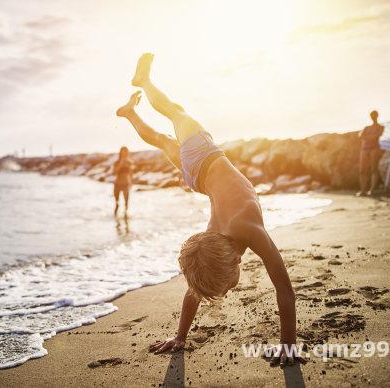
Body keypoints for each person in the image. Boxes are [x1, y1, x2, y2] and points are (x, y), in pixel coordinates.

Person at [116, 53, 298, 366]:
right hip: (197, 176)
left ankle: (138, 97)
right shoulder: (227, 234)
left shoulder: (235, 235)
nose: (230, 287)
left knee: (171, 122)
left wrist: (289, 346)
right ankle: (135, 100)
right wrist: (180, 337)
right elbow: (281, 288)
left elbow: (284, 290)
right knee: (168, 126)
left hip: (199, 162)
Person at [357, 110, 384, 196]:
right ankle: (363, 190)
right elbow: (361, 136)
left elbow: (376, 136)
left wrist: (367, 137)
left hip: (374, 149)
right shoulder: (366, 127)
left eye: (374, 115)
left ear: (377, 116)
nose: (373, 117)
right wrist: (370, 137)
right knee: (362, 170)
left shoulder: (381, 127)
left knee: (374, 169)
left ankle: (372, 190)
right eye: (372, 115)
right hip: (364, 149)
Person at [113, 146, 134, 215]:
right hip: (117, 184)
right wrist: (121, 164)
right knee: (117, 203)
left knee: (126, 203)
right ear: (120, 153)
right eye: (123, 152)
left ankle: (126, 220)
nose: (124, 154)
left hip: (126, 184)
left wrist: (131, 183)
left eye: (125, 152)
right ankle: (116, 221)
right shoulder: (117, 162)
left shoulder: (129, 162)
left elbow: (131, 174)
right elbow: (114, 172)